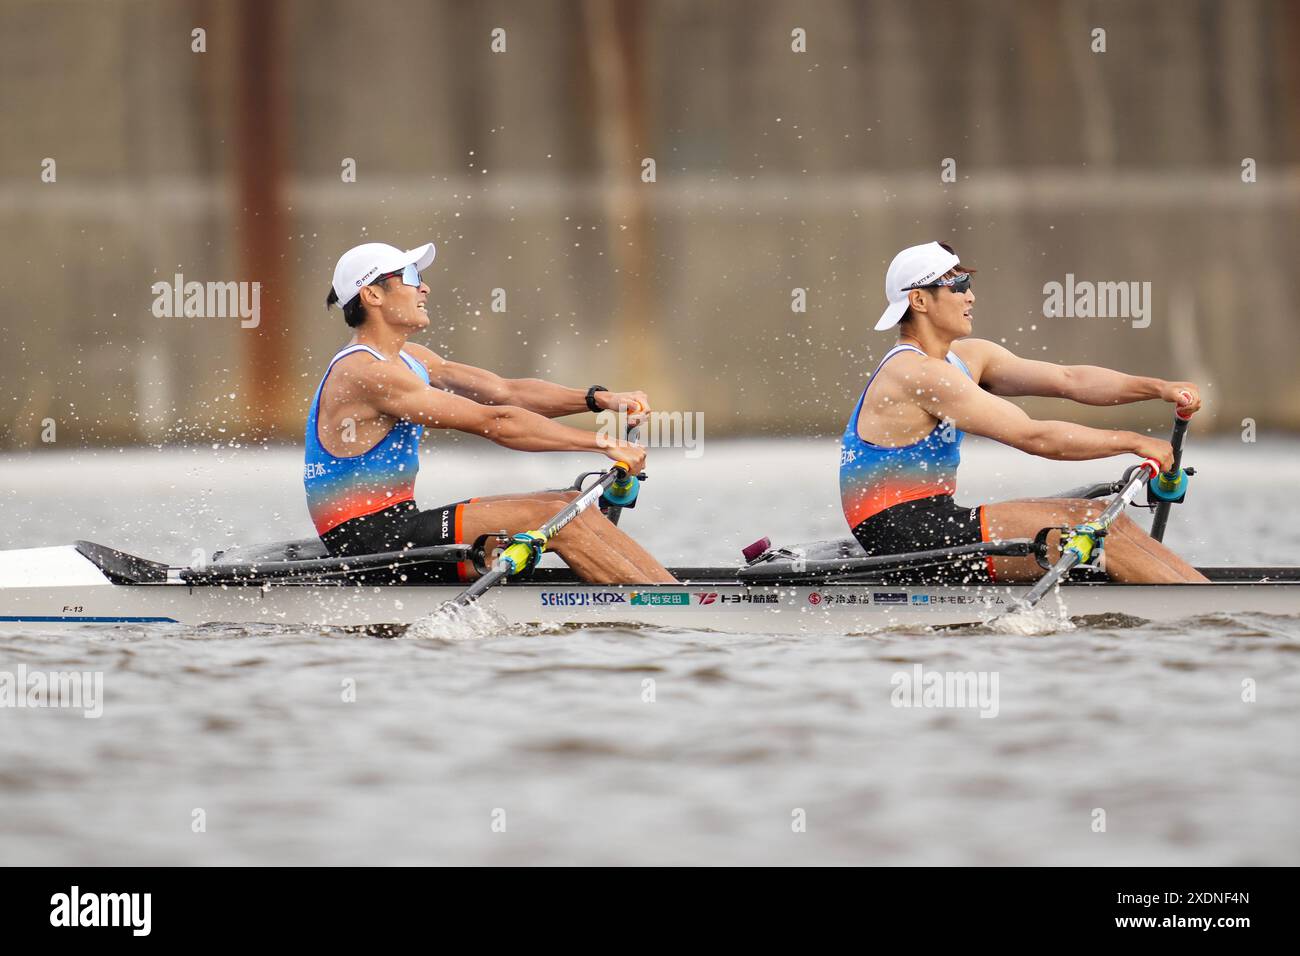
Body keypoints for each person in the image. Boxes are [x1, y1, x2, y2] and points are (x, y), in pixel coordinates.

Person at [305, 241, 675, 584]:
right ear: (371, 294)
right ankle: (669, 610)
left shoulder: (409, 358)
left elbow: (505, 392)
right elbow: (495, 422)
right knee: (554, 521)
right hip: (370, 544)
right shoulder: (367, 372)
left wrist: (598, 399)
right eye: (412, 277)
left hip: (399, 524)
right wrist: (603, 444)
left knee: (569, 506)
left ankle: (671, 593)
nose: (425, 288)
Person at [839, 240, 1207, 584]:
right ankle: (1210, 614)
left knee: (1111, 519)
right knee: (1092, 526)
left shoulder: (969, 357)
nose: (971, 296)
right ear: (919, 300)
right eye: (958, 285)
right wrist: (1135, 443)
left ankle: (1208, 599)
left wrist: (1158, 388)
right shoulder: (917, 373)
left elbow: (1070, 380)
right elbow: (1035, 437)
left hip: (934, 519)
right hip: (901, 537)